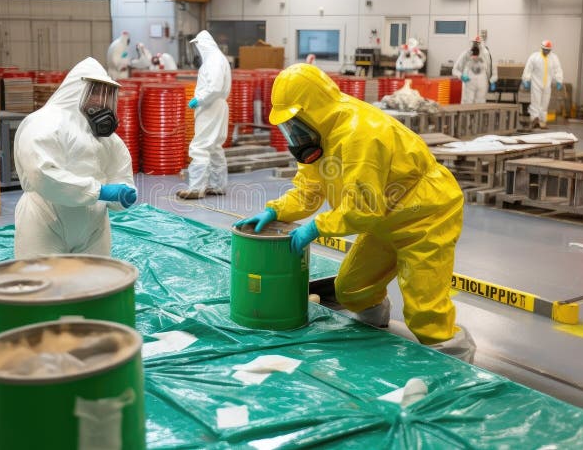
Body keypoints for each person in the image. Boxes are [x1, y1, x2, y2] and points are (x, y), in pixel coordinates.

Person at [234, 64, 475, 363]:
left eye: (295, 120)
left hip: (425, 214)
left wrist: (316, 227)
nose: (292, 130)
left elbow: (363, 208)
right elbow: (308, 190)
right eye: (287, 124)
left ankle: (460, 372)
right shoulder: (316, 136)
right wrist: (274, 211)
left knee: (425, 311)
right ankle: (375, 336)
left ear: (314, 110)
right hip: (384, 219)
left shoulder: (361, 134)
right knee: (351, 290)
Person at [13, 57, 137, 259]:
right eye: (95, 92)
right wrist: (99, 191)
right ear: (77, 89)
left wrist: (123, 197)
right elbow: (42, 174)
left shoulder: (109, 140)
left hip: (94, 227)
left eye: (106, 94)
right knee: (40, 284)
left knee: (95, 284)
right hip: (45, 219)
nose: (102, 100)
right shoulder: (45, 123)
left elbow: (120, 173)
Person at [176, 30, 231, 199]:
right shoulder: (219, 58)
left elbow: (214, 87)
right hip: (218, 105)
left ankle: (196, 188)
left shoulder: (213, 60)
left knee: (200, 145)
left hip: (210, 105)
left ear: (203, 45)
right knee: (214, 146)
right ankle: (217, 185)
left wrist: (198, 99)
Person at [522, 40, 564, 129]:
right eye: (545, 49)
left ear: (550, 50)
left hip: (547, 85)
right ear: (541, 48)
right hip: (536, 84)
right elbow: (528, 69)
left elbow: (558, 69)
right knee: (535, 102)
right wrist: (526, 79)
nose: (546, 51)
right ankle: (534, 120)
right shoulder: (534, 57)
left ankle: (542, 122)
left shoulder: (554, 58)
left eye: (548, 50)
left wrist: (559, 80)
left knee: (545, 103)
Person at [452, 36, 497, 104]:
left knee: (480, 105)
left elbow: (493, 69)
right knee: (467, 104)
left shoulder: (487, 56)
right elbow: (455, 70)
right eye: (474, 43)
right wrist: (461, 76)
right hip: (468, 84)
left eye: (478, 43)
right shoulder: (465, 54)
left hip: (482, 85)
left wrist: (492, 80)